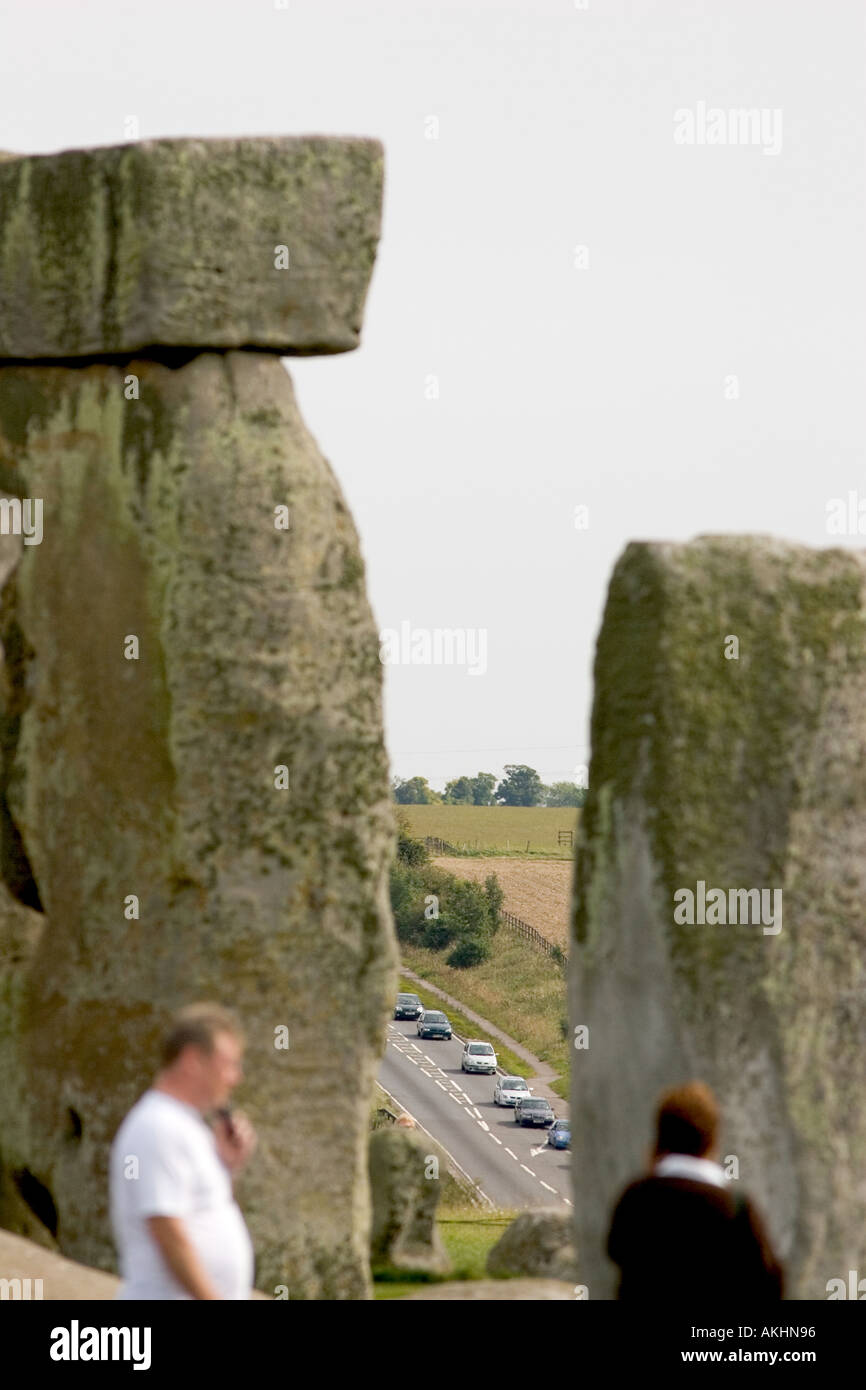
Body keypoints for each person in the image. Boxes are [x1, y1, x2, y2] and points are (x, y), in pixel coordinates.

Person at [109, 1002, 257, 1300]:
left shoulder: (189, 1127)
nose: (235, 1078)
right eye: (228, 1064)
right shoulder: (156, 1126)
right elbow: (167, 1230)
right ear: (192, 1060)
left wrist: (228, 1166)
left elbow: (201, 1213)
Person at [607, 1081, 783, 1300]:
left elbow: (615, 1250)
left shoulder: (636, 1195)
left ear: (659, 1138)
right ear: (712, 1141)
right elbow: (770, 1280)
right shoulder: (736, 1207)